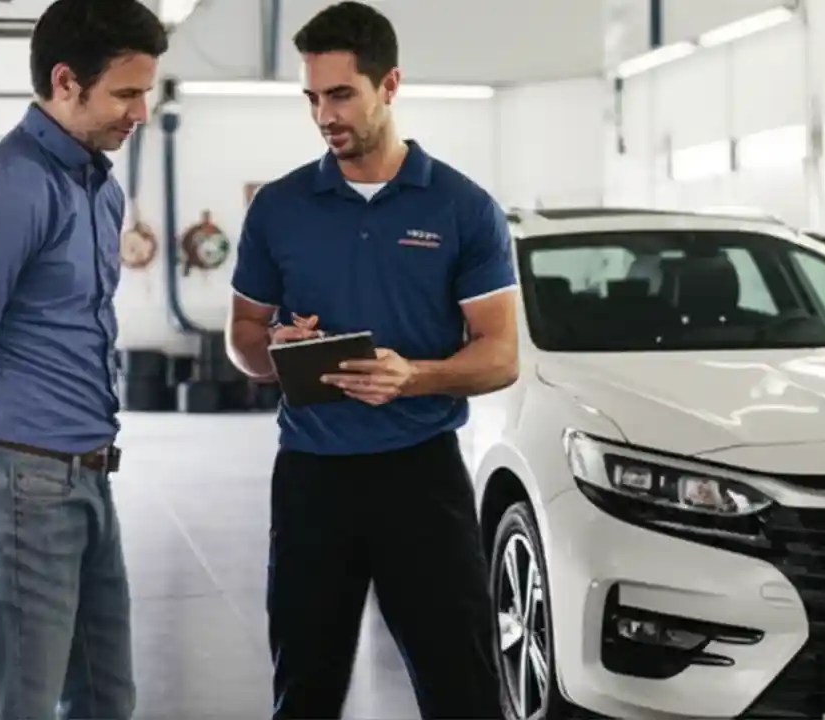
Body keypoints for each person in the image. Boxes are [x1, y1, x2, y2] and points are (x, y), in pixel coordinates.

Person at [225, 3, 520, 718]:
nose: (324, 115)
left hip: (420, 474)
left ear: (390, 85)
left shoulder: (463, 207)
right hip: (311, 478)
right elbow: (241, 333)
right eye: (313, 97)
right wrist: (270, 352)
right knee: (306, 687)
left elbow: (500, 355)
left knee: (462, 687)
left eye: (341, 94)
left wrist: (414, 375)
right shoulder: (279, 208)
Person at [0, 1, 167, 717]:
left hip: (85, 479)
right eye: (125, 92)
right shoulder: (9, 184)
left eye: (146, 92)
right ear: (65, 83)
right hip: (21, 480)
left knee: (106, 699)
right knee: (22, 705)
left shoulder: (102, 192)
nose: (140, 112)